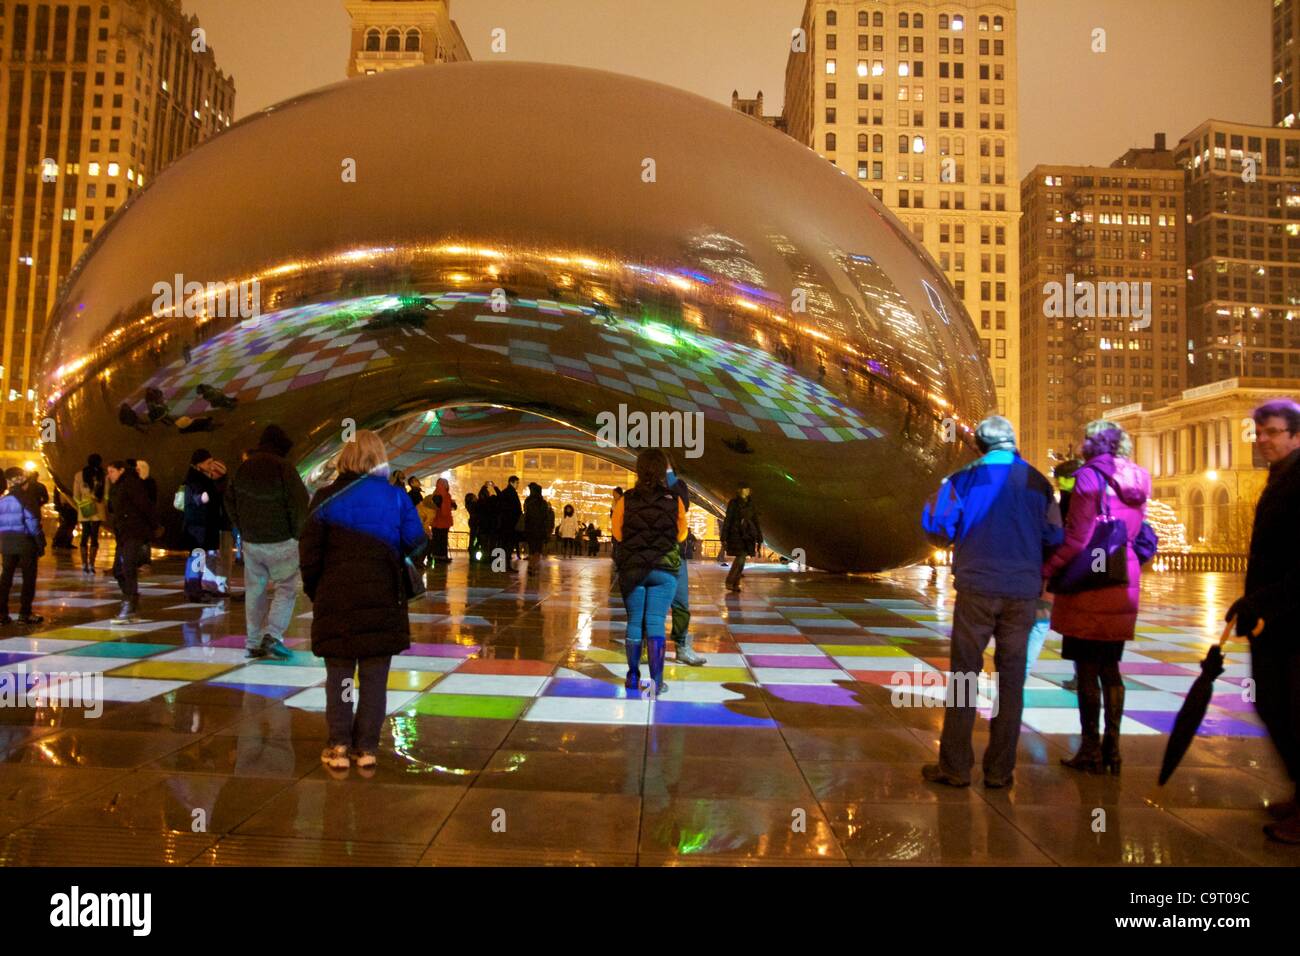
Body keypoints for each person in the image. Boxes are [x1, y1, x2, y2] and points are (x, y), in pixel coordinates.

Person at [919, 415, 1063, 789]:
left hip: (977, 590)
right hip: (1021, 595)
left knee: (965, 677)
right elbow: (1055, 535)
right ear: (1012, 444)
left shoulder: (964, 478)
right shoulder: (1038, 482)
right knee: (1011, 682)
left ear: (980, 446)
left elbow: (937, 526)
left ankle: (954, 767)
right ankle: (1000, 772)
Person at [299, 429, 427, 772]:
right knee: (374, 679)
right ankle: (366, 748)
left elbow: (309, 554)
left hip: (335, 598)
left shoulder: (324, 498)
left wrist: (317, 590)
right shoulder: (396, 498)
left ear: (346, 457)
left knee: (340, 676)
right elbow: (417, 542)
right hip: (383, 598)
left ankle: (338, 744)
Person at [1042, 421, 1151, 778]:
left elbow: (1077, 539)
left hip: (1091, 579)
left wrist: (1049, 569)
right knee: (1111, 668)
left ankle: (1090, 749)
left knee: (1086, 669)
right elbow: (1137, 532)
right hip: (1124, 578)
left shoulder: (1089, 478)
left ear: (1093, 445)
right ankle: (1113, 751)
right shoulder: (1139, 478)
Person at [1228, 398, 1300, 844]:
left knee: (1290, 709)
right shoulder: (1280, 478)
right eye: (1259, 433)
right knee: (1272, 703)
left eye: (1273, 432)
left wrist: (1264, 601)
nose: (1263, 441)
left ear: (1296, 434)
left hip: (1291, 618)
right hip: (1273, 615)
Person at [225, 425, 308, 661]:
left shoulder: (243, 468)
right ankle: (273, 636)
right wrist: (297, 534)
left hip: (252, 542)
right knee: (286, 588)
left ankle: (252, 642)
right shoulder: (284, 468)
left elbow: (229, 501)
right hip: (282, 541)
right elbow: (299, 505)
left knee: (255, 590)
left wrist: (243, 527)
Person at [613, 449, 687, 695]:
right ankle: (656, 682)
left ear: (639, 469)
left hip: (633, 568)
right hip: (664, 570)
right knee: (656, 621)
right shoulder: (674, 500)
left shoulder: (625, 499)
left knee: (635, 621)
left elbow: (617, 533)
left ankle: (633, 677)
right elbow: (682, 534)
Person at [105, 459, 156, 625]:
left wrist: (155, 525)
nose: (109, 475)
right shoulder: (116, 486)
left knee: (127, 567)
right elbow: (112, 508)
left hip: (134, 531)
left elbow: (145, 505)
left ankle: (129, 606)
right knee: (117, 570)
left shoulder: (132, 484)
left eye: (112, 471)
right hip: (122, 533)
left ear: (121, 470)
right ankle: (131, 600)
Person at [667, 467, 706, 666]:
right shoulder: (637, 493)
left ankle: (681, 646)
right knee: (652, 606)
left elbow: (684, 505)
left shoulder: (677, 488)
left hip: (674, 555)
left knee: (681, 603)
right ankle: (646, 648)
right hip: (650, 557)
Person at [0, 468, 44, 625]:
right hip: (25, 542)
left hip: (6, 543)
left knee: (6, 578)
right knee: (28, 579)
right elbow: (33, 523)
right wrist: (40, 543)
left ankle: (2, 614)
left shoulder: (3, 500)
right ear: (23, 483)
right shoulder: (28, 499)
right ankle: (25, 613)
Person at [721, 482, 762, 592]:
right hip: (736, 535)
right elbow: (728, 519)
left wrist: (759, 537)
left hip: (748, 536)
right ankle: (730, 581)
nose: (747, 490)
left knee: (742, 560)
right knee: (740, 558)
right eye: (745, 489)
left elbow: (756, 521)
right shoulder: (734, 503)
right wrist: (724, 536)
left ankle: (735, 583)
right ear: (740, 490)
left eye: (748, 489)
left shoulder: (751, 504)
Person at [72, 453, 107, 574]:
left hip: (85, 507)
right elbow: (106, 495)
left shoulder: (79, 475)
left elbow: (76, 496)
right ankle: (92, 564)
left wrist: (82, 505)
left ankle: (84, 564)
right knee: (94, 535)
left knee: (85, 534)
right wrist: (101, 502)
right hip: (98, 507)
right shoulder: (103, 476)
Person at [523, 482, 553, 575]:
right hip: (540, 530)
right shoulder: (543, 503)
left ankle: (531, 566)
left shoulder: (528, 501)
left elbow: (525, 514)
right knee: (538, 550)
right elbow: (546, 517)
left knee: (532, 549)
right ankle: (533, 566)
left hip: (530, 529)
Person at [426, 476, 455, 566]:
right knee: (441, 539)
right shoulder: (443, 495)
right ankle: (440, 556)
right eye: (444, 483)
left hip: (439, 521)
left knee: (439, 539)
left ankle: (438, 556)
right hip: (441, 521)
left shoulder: (438, 494)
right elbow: (442, 509)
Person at [497, 475, 523, 572]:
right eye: (517, 483)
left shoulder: (506, 492)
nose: (518, 485)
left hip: (506, 524)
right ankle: (505, 565)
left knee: (505, 545)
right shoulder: (511, 493)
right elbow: (515, 509)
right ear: (511, 482)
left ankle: (502, 565)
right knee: (507, 545)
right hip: (510, 524)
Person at [476, 482, 500, 564]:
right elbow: (501, 497)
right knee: (493, 544)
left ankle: (484, 559)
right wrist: (495, 487)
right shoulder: (496, 506)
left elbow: (481, 495)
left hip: (484, 527)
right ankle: (492, 559)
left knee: (484, 544)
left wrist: (485, 486)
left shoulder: (482, 504)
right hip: (493, 527)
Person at [52, 485, 78, 551]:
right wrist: (58, 506)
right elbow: (56, 497)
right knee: (65, 525)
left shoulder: (64, 486)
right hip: (65, 507)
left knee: (71, 525)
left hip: (71, 506)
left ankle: (67, 542)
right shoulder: (59, 486)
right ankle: (57, 542)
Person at [464, 491, 480, 559]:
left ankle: (472, 550)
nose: (476, 497)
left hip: (472, 522)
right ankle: (472, 550)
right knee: (475, 537)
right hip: (475, 522)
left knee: (473, 537)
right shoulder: (474, 505)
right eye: (474, 497)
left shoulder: (469, 505)